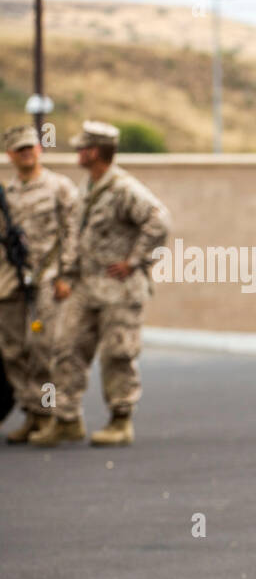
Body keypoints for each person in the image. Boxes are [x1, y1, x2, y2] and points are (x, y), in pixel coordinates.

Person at [30, 121, 169, 447]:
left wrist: (134, 261)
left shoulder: (123, 187)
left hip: (119, 290)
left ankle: (120, 422)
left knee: (117, 354)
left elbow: (158, 219)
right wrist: (67, 275)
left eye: (81, 147)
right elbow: (76, 237)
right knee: (66, 349)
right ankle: (66, 419)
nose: (77, 152)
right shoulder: (88, 187)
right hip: (86, 287)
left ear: (94, 152)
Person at [3, 124, 80, 443]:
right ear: (10, 155)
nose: (27, 153)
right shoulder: (6, 195)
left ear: (40, 149)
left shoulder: (59, 187)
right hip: (11, 282)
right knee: (13, 351)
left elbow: (71, 233)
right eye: (20, 149)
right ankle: (32, 413)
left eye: (30, 147)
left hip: (48, 280)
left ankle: (50, 414)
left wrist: (67, 275)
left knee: (43, 350)